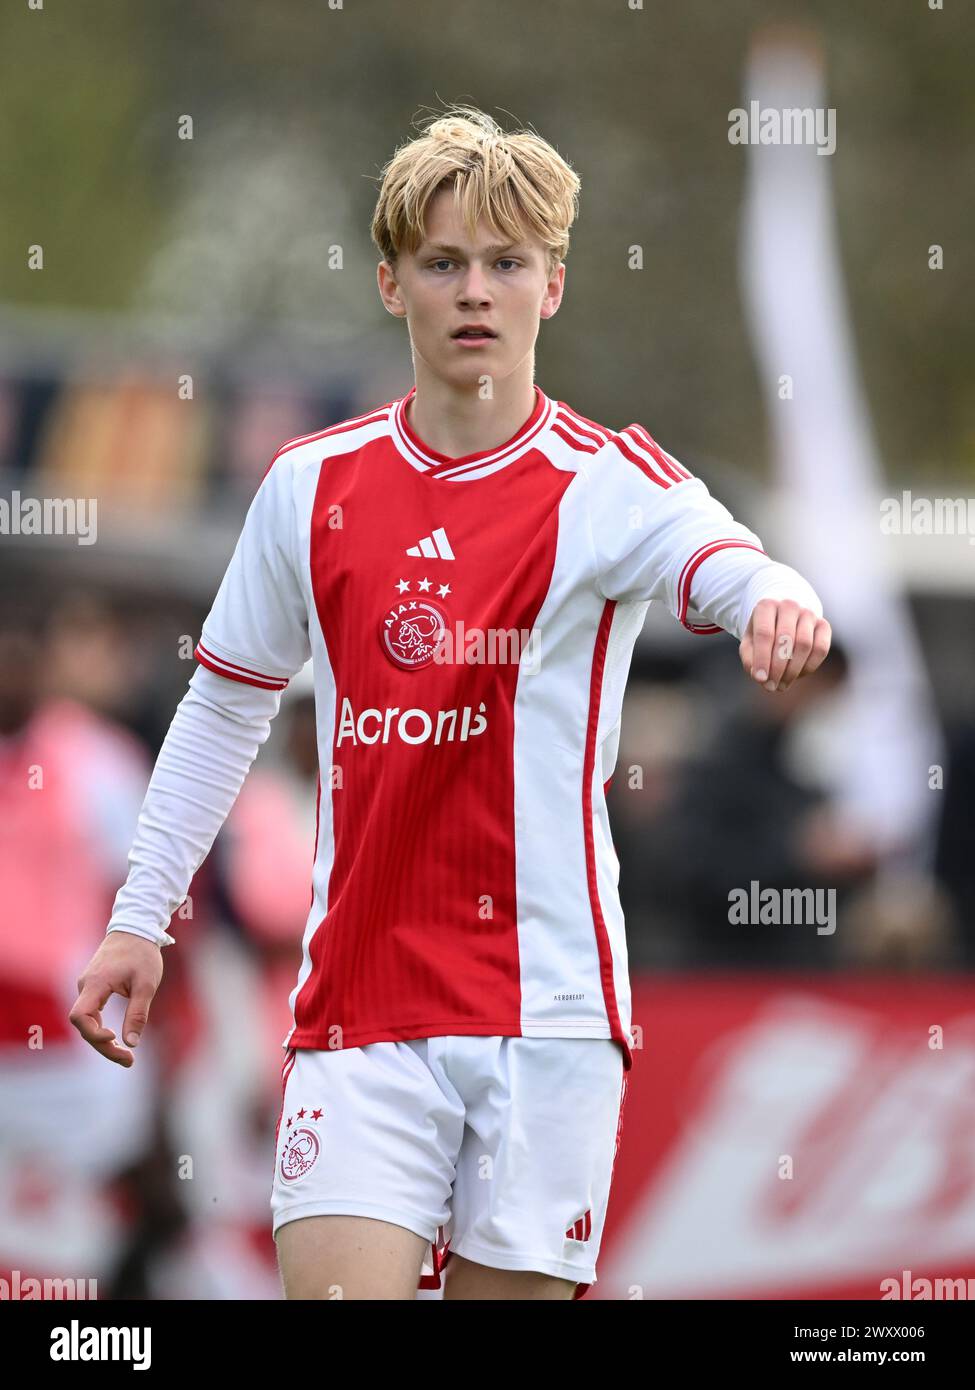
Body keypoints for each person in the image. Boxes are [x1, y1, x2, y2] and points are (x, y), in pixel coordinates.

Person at [70, 105, 831, 1301]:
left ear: (552, 288)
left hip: (549, 1018)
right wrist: (139, 914)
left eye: (505, 264)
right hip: (360, 1011)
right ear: (391, 284)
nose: (475, 291)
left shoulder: (606, 482)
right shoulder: (308, 487)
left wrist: (776, 597)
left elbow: (727, 558)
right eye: (444, 263)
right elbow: (223, 709)